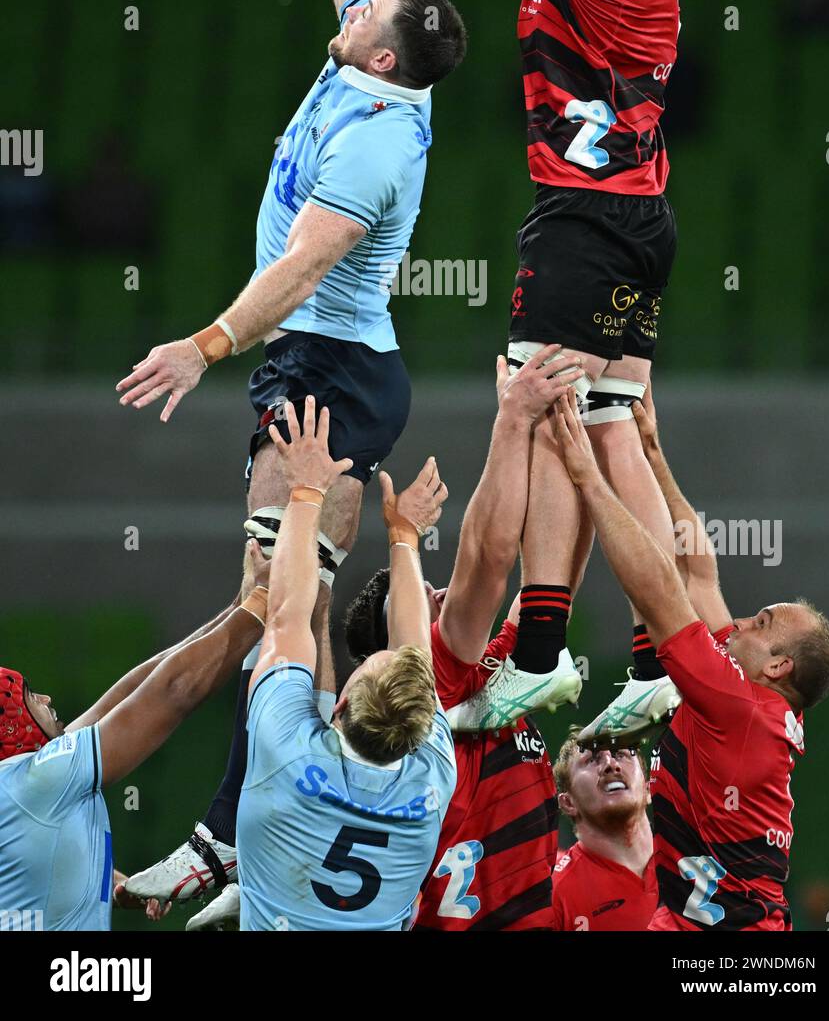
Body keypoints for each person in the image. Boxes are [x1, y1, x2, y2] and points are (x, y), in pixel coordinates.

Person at [333, 0, 735, 740]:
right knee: (609, 427)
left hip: (586, 216)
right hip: (637, 216)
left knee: (548, 415)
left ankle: (543, 651)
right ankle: (656, 653)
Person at [116, 0, 467, 903]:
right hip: (327, 363)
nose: (350, 2)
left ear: (382, 58)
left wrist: (202, 345)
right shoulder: (360, 58)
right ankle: (251, 825)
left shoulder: (374, 145)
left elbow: (304, 264)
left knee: (277, 601)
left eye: (365, 11)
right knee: (276, 597)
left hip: (328, 369)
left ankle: (227, 836)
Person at [554, 390, 829, 930]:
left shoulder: (736, 703)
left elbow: (662, 590)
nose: (738, 623)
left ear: (779, 666)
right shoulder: (751, 698)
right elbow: (698, 574)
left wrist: (588, 478)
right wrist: (654, 456)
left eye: (760, 623)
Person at [344, 347, 584, 931]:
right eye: (430, 598)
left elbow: (550, 586)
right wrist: (512, 421)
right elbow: (488, 560)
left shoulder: (482, 676)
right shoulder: (430, 684)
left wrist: (577, 446)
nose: (446, 598)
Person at [233, 397, 456, 931]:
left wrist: (306, 489)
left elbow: (285, 611)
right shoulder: (429, 784)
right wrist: (402, 536)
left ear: (340, 707)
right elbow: (410, 651)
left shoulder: (433, 773)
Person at [0, 551, 269, 931]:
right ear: (10, 726)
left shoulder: (22, 784)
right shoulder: (35, 783)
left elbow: (132, 689)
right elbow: (171, 692)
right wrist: (265, 597)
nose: (45, 699)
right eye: (30, 696)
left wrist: (239, 605)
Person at [551, 737, 656, 931]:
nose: (611, 764)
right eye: (592, 760)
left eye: (620, 754)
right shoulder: (553, 896)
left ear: (648, 789)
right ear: (568, 803)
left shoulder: (695, 863)